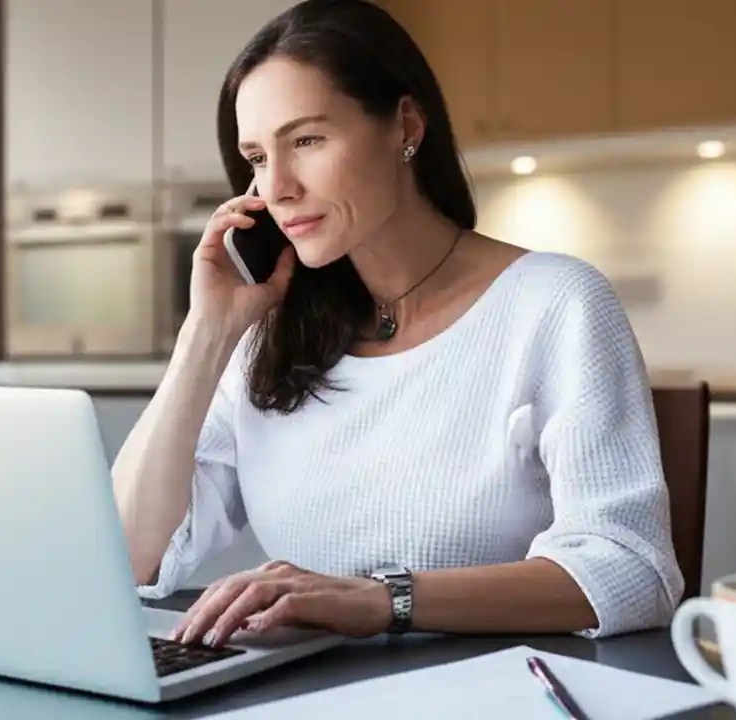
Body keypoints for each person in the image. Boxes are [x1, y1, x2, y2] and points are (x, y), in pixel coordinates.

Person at [112, 0, 682, 649]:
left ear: (404, 126)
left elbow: (632, 572)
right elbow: (130, 558)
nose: (279, 187)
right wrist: (205, 335)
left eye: (306, 141)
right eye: (258, 158)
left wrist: (386, 599)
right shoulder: (269, 337)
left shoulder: (554, 304)